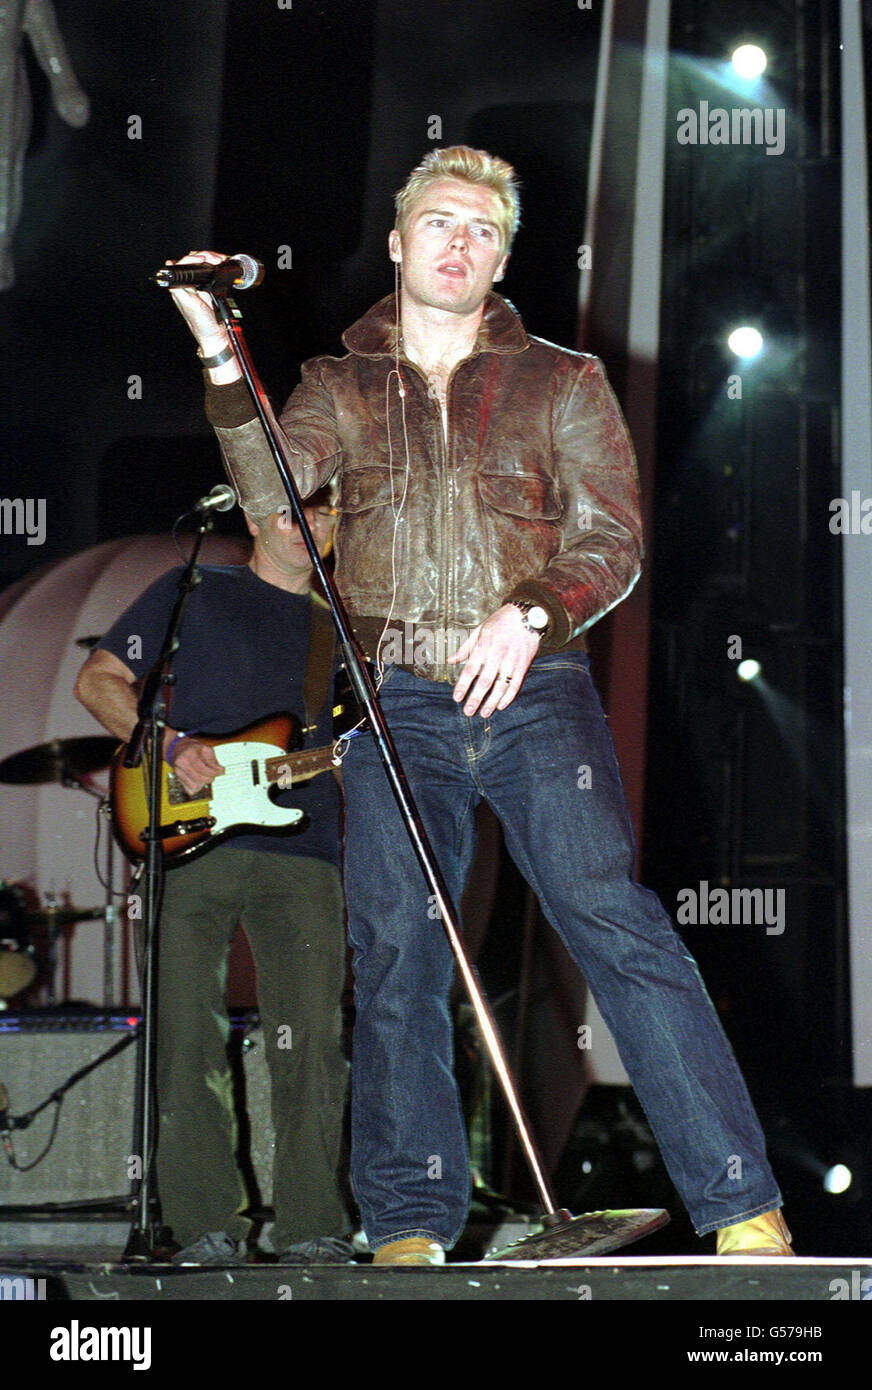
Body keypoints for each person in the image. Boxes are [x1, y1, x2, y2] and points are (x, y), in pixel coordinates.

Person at [165, 145, 793, 1265]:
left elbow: (613, 539)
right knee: (399, 945)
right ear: (401, 242)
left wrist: (536, 610)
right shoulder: (337, 387)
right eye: (440, 223)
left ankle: (741, 1200)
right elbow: (271, 491)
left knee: (613, 918)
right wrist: (216, 342)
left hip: (534, 688)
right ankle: (408, 1221)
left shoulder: (562, 381)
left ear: (501, 257)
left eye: (483, 231)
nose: (461, 243)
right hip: (395, 696)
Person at [74, 490, 351, 1265]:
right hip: (180, 836)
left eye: (328, 515)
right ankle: (205, 1229)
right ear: (258, 520)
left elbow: (362, 735)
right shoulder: (192, 588)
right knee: (183, 1039)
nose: (314, 526)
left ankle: (313, 1227)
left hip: (305, 849)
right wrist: (169, 743)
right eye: (296, 512)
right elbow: (98, 680)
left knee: (314, 1046)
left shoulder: (345, 624)